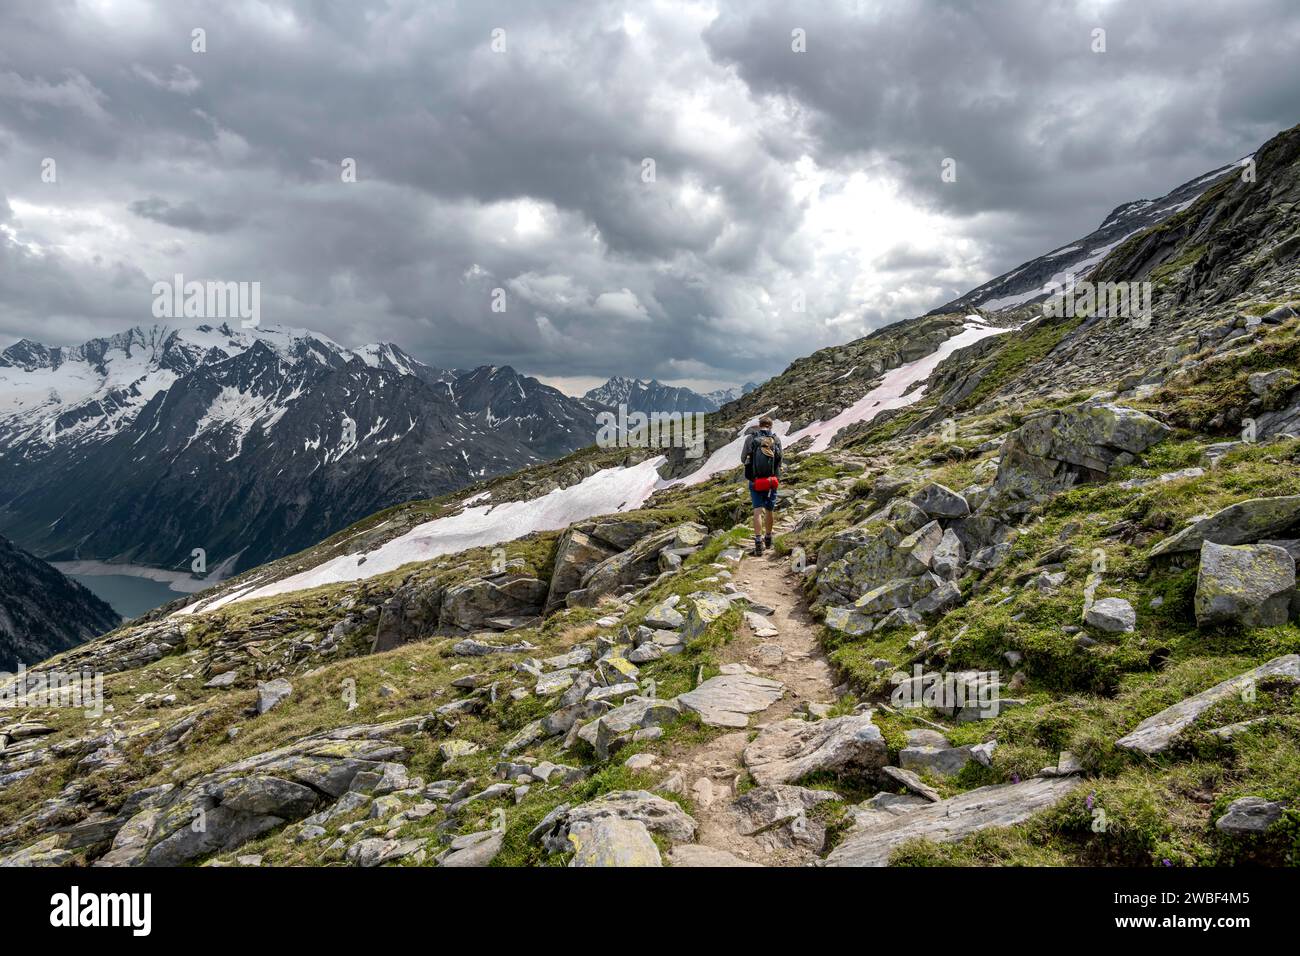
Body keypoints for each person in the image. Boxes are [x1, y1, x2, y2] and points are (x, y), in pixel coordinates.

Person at [741, 415, 782, 556]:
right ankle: (769, 538)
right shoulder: (775, 439)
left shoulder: (751, 439)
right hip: (771, 482)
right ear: (770, 426)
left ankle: (758, 541)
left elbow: (742, 459)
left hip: (755, 481)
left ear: (760, 425)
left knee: (758, 510)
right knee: (769, 510)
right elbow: (779, 459)